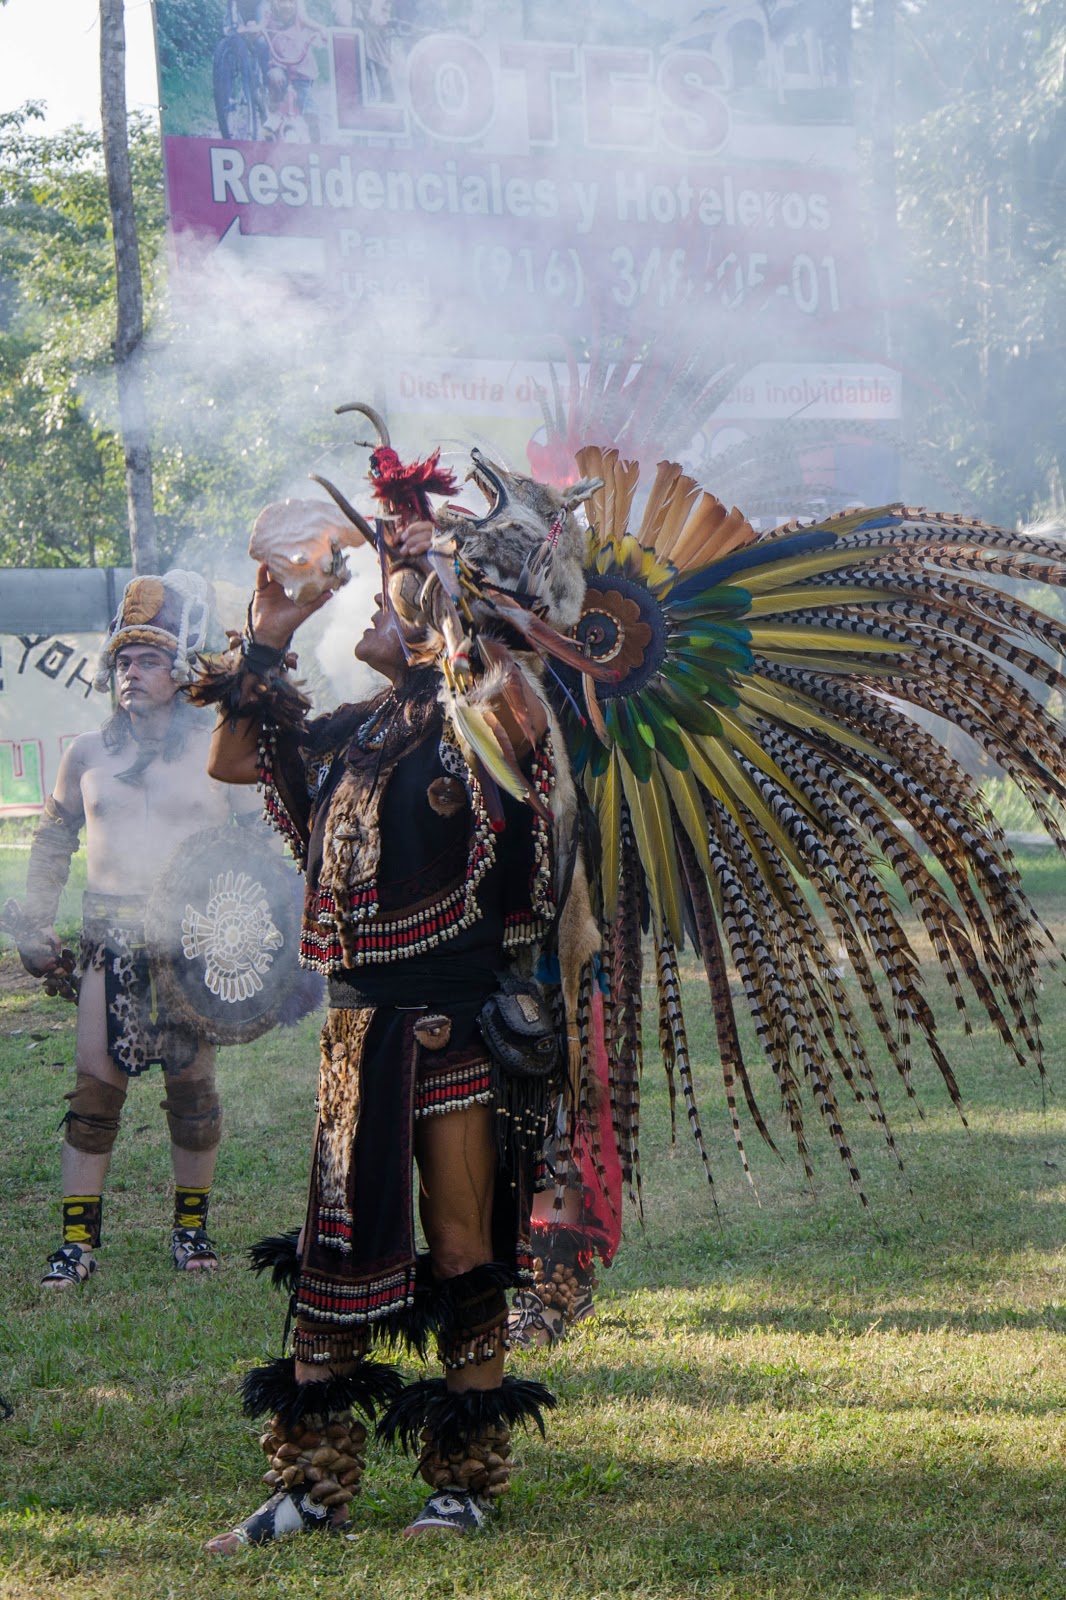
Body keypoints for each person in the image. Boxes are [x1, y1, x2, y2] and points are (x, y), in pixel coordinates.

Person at [196, 497, 579, 1547]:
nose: (369, 606)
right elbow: (233, 759)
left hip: (457, 1025)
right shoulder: (356, 731)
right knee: (332, 1250)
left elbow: (515, 713)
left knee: (460, 1245)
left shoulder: (487, 716)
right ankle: (310, 1490)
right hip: (358, 1034)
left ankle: (461, 1484)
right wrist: (269, 633)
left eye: (388, 596)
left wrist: (447, 581)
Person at [15, 571, 239, 1287]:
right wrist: (34, 922)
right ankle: (76, 1245)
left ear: (180, 670)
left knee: (194, 1093)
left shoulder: (219, 752)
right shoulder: (87, 753)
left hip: (189, 945)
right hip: (107, 943)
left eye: (146, 660)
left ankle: (191, 1231)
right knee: (94, 1090)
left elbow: (261, 848)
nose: (130, 674)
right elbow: (54, 842)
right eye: (122, 661)